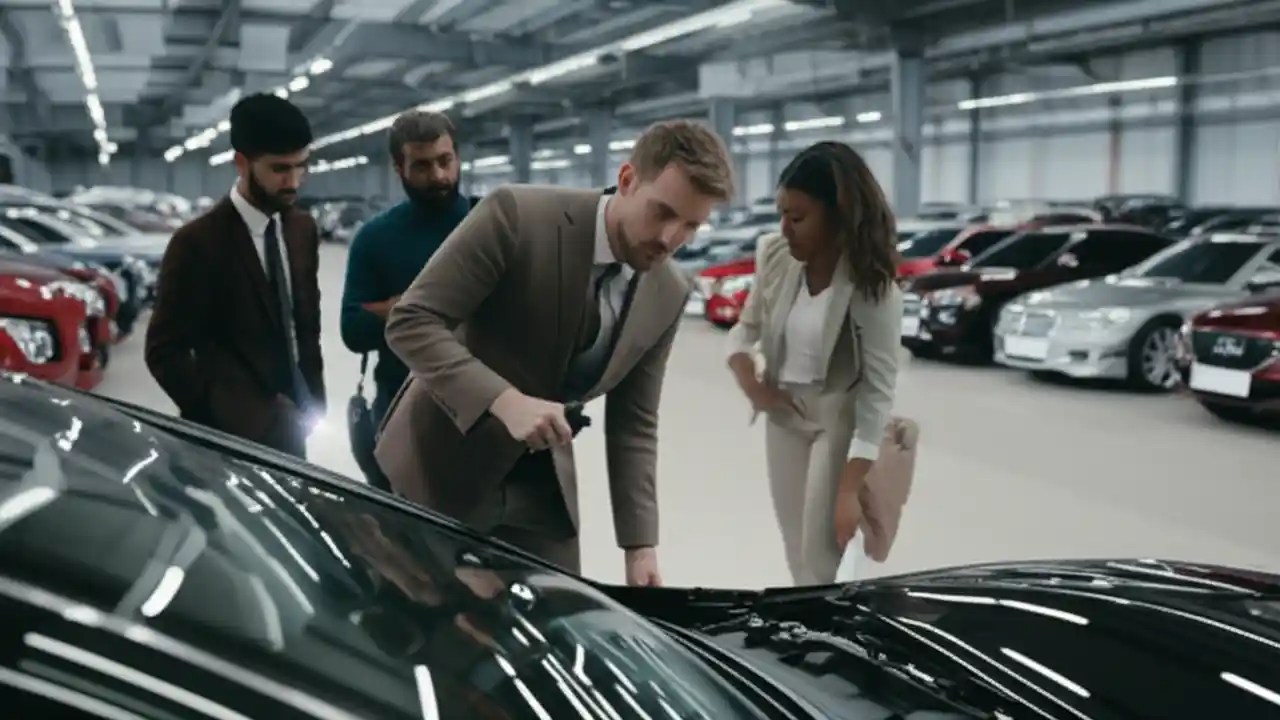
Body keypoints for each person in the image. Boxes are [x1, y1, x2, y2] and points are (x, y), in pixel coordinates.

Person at [374, 119, 735, 584]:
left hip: (542, 487)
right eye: (661, 212)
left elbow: (634, 423)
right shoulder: (518, 215)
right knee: (425, 624)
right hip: (441, 463)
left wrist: (640, 546)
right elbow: (412, 321)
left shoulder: (668, 291)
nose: (670, 239)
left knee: (557, 625)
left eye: (691, 225)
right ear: (627, 180)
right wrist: (506, 401)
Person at [725, 141, 903, 586]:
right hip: (783, 413)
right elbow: (744, 331)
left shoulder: (871, 285)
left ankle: (829, 643)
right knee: (793, 544)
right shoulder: (774, 255)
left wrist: (849, 491)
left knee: (821, 553)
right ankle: (808, 632)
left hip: (835, 420)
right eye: (781, 214)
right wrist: (753, 384)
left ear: (838, 215)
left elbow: (877, 395)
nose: (785, 229)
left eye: (798, 217)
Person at [146, 92, 325, 459]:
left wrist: (313, 403)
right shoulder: (197, 243)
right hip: (225, 441)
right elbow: (164, 352)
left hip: (295, 430)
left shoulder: (302, 229)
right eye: (280, 169)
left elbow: (306, 327)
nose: (294, 181)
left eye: (301, 166)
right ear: (241, 163)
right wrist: (220, 414)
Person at [340, 110, 477, 430]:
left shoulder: (495, 221)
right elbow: (352, 329)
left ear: (457, 158)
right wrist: (416, 306)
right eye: (422, 166)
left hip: (491, 408)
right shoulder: (375, 238)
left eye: (445, 161)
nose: (439, 175)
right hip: (403, 411)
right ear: (399, 168)